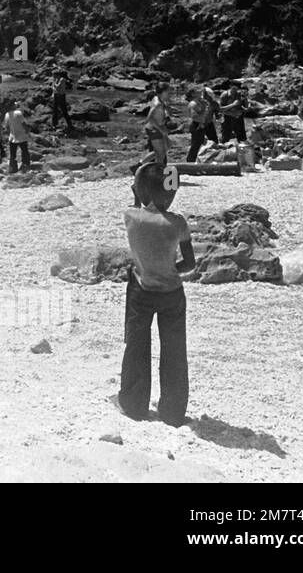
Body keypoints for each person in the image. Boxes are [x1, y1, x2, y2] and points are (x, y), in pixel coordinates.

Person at [117, 163, 197, 426]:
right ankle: (173, 412)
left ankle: (134, 404)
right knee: (174, 351)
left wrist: (137, 193)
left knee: (137, 346)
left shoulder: (131, 216)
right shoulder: (178, 223)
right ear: (170, 194)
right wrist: (169, 268)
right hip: (172, 292)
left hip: (141, 290)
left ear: (141, 192)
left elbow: (137, 204)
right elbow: (189, 264)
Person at [140, 82, 172, 166]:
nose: (170, 93)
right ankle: (153, 168)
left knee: (167, 146)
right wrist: (161, 129)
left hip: (157, 127)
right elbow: (150, 117)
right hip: (154, 128)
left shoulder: (157, 98)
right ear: (163, 92)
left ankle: (144, 164)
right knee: (160, 152)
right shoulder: (157, 104)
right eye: (168, 91)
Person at [3, 98, 31, 173]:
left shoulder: (7, 114)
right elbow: (23, 124)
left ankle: (12, 168)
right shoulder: (18, 113)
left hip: (12, 136)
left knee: (13, 154)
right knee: (24, 152)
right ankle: (25, 167)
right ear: (12, 105)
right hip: (21, 135)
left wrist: (9, 133)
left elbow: (7, 127)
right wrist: (27, 131)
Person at [185, 87, 211, 163]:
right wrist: (202, 119)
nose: (200, 92)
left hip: (201, 125)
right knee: (195, 145)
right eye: (197, 91)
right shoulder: (193, 103)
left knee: (199, 143)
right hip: (196, 125)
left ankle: (196, 160)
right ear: (193, 94)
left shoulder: (200, 102)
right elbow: (194, 116)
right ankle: (190, 161)